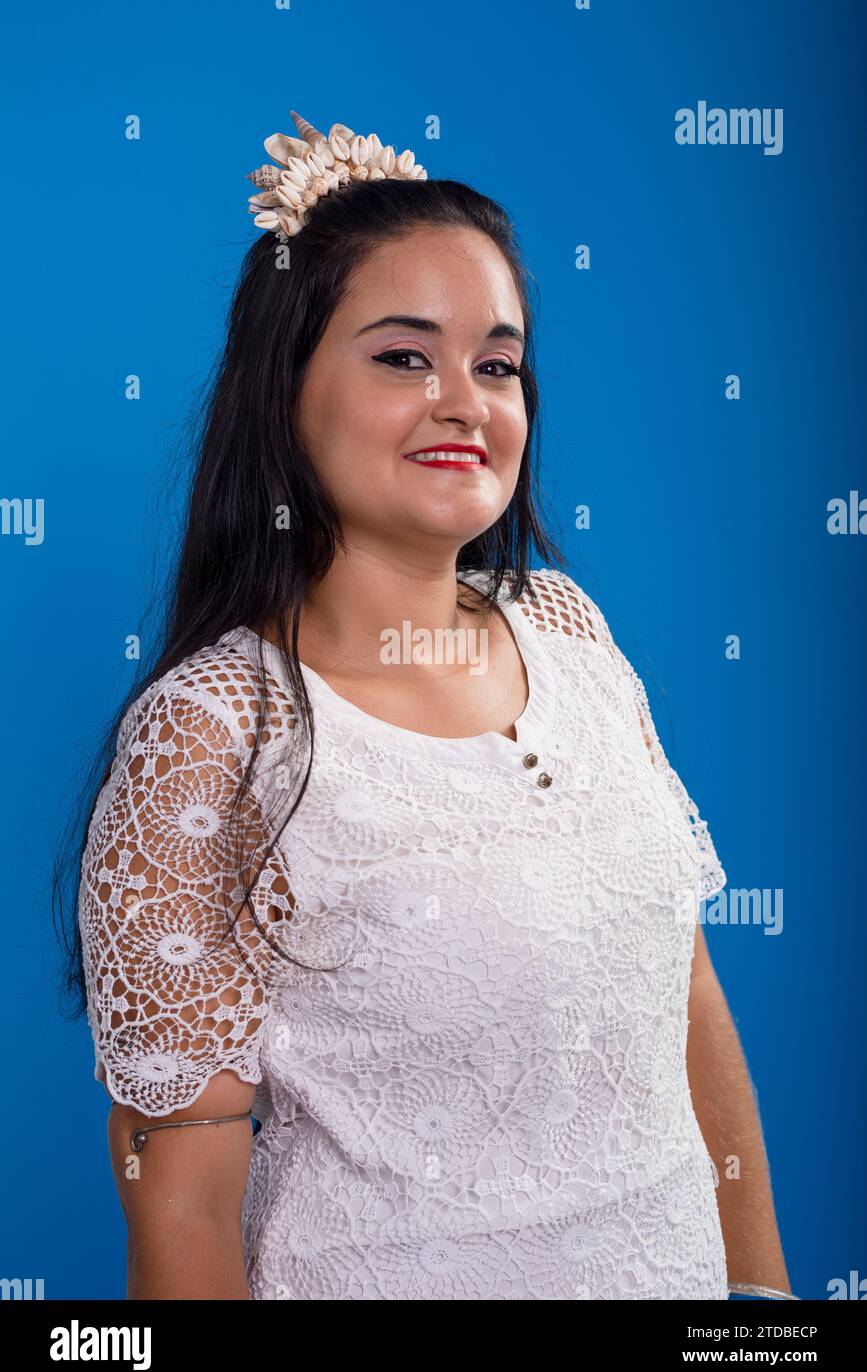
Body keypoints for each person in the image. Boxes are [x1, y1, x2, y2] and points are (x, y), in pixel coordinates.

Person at [64, 110, 791, 1299]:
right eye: (405, 356)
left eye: (496, 363)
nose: (465, 401)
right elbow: (181, 1198)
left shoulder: (571, 635)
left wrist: (763, 1311)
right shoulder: (215, 733)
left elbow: (685, 991)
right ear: (285, 387)